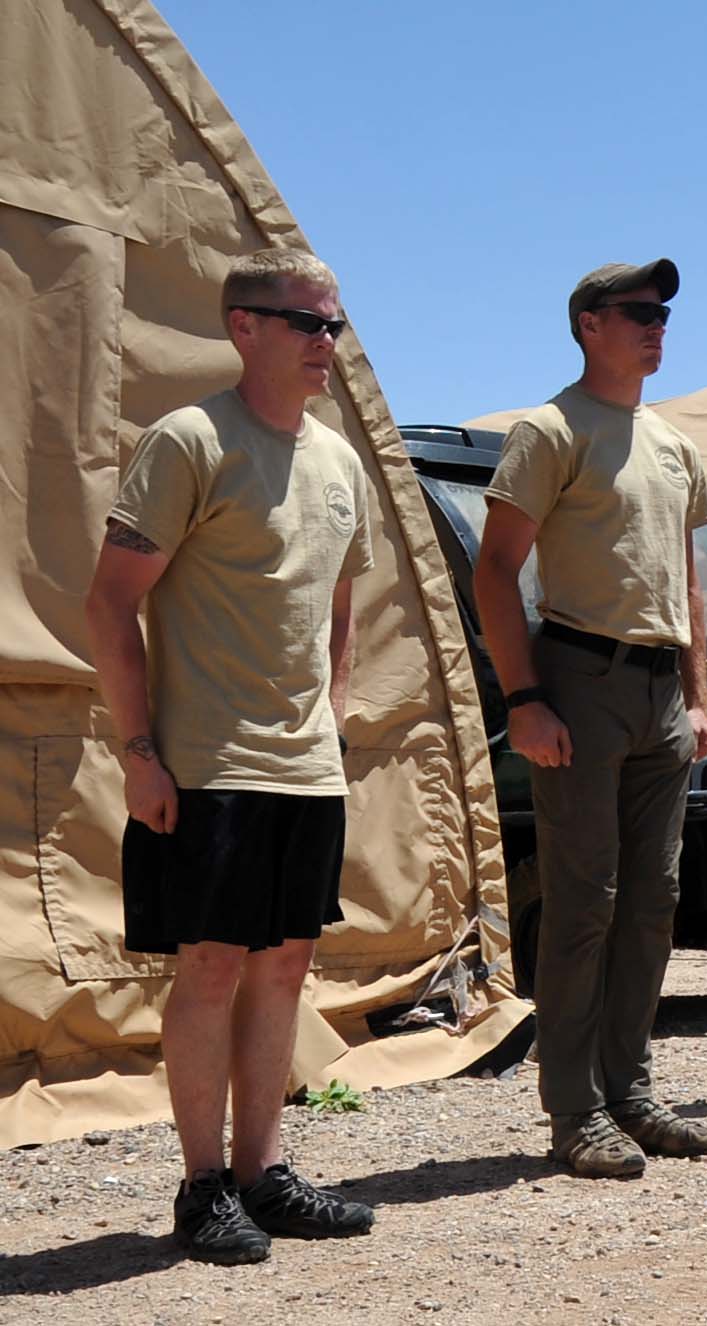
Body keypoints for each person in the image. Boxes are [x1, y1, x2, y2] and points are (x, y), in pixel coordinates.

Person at [86, 248, 377, 1262]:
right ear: (243, 325)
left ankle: (266, 1172)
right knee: (209, 967)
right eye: (307, 324)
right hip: (208, 762)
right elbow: (108, 603)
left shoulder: (339, 459)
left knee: (287, 965)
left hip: (305, 768)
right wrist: (137, 752)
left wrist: (333, 716)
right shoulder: (189, 442)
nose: (326, 345)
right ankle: (202, 1186)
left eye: (335, 325)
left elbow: (342, 600)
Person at [474, 258, 707, 1176]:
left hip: (662, 695)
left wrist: (700, 699)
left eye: (664, 312)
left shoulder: (672, 443)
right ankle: (575, 1109)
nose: (658, 326)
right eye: (638, 312)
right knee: (586, 904)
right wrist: (526, 699)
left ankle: (632, 1094)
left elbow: (689, 584)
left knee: (653, 906)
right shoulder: (549, 431)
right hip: (578, 678)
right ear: (588, 323)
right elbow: (495, 570)